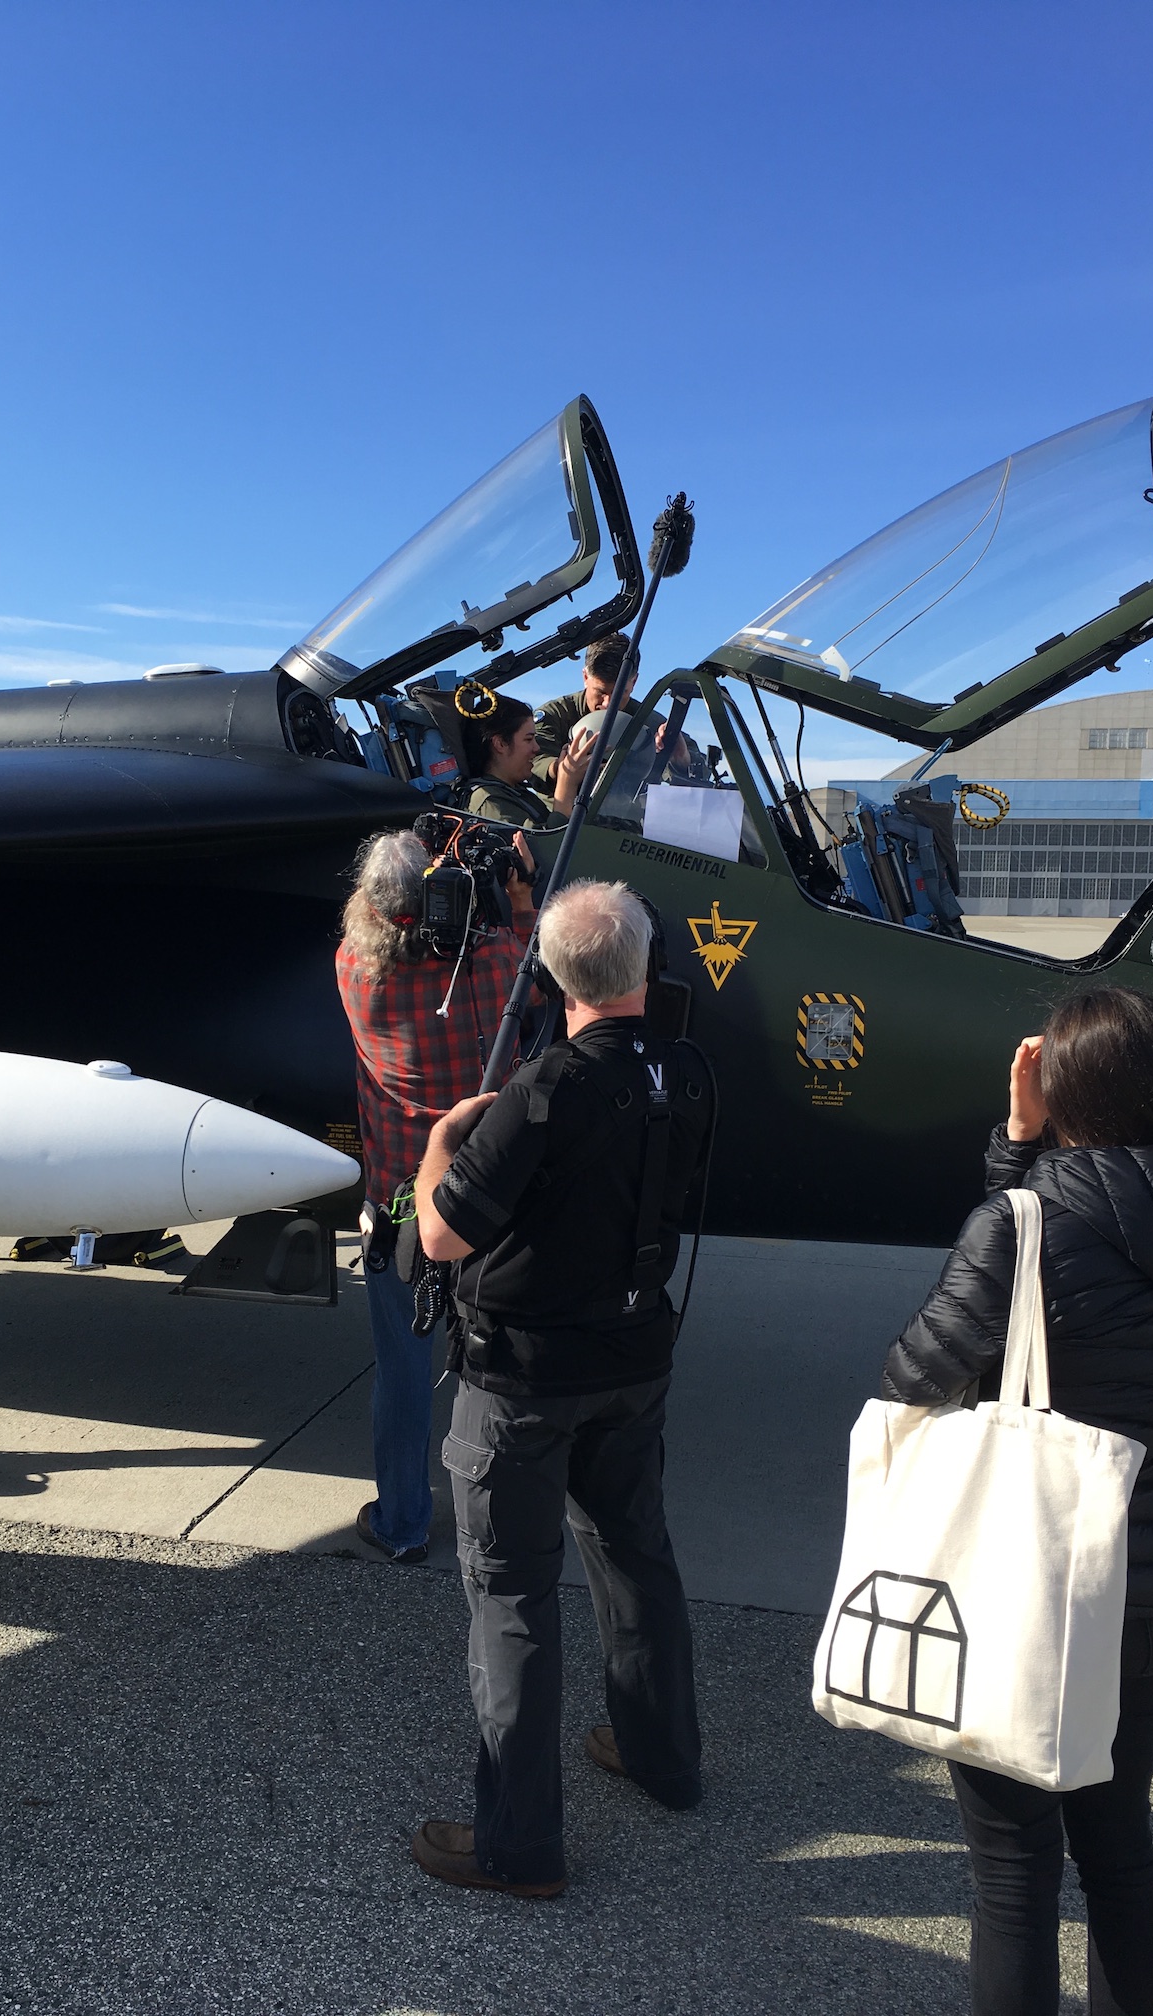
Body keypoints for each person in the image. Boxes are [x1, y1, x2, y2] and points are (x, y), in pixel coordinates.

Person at [879, 987, 1153, 2016]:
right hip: (1150, 1581)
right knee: (1118, 1844)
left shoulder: (1025, 1222)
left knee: (1013, 1871)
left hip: (1028, 1584)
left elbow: (917, 1370)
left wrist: (1014, 1155)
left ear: (1060, 1089)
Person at [406, 879, 715, 1897]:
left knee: (510, 1597)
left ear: (552, 976)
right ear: (644, 964)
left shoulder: (541, 1089)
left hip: (524, 1380)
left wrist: (442, 1149)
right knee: (638, 1556)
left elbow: (443, 1235)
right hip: (634, 1361)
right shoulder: (688, 1072)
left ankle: (521, 1844)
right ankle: (664, 1757)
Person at [335, 825, 536, 1564]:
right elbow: (531, 975)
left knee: (404, 1369)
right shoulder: (490, 966)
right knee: (504, 1364)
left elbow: (379, 922)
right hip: (490, 1201)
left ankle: (403, 1522)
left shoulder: (354, 969)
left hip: (398, 1205)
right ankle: (509, 1517)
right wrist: (513, 899)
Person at [458, 693, 587, 828]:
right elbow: (547, 847)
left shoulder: (516, 793)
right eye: (528, 739)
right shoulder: (489, 801)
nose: (536, 748)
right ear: (501, 744)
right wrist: (567, 784)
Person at [530, 633, 639, 789]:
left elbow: (685, 757)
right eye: (601, 692)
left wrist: (675, 756)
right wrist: (561, 768)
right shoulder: (556, 715)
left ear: (634, 682)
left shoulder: (644, 719)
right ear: (585, 677)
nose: (608, 704)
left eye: (619, 693)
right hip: (561, 811)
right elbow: (534, 760)